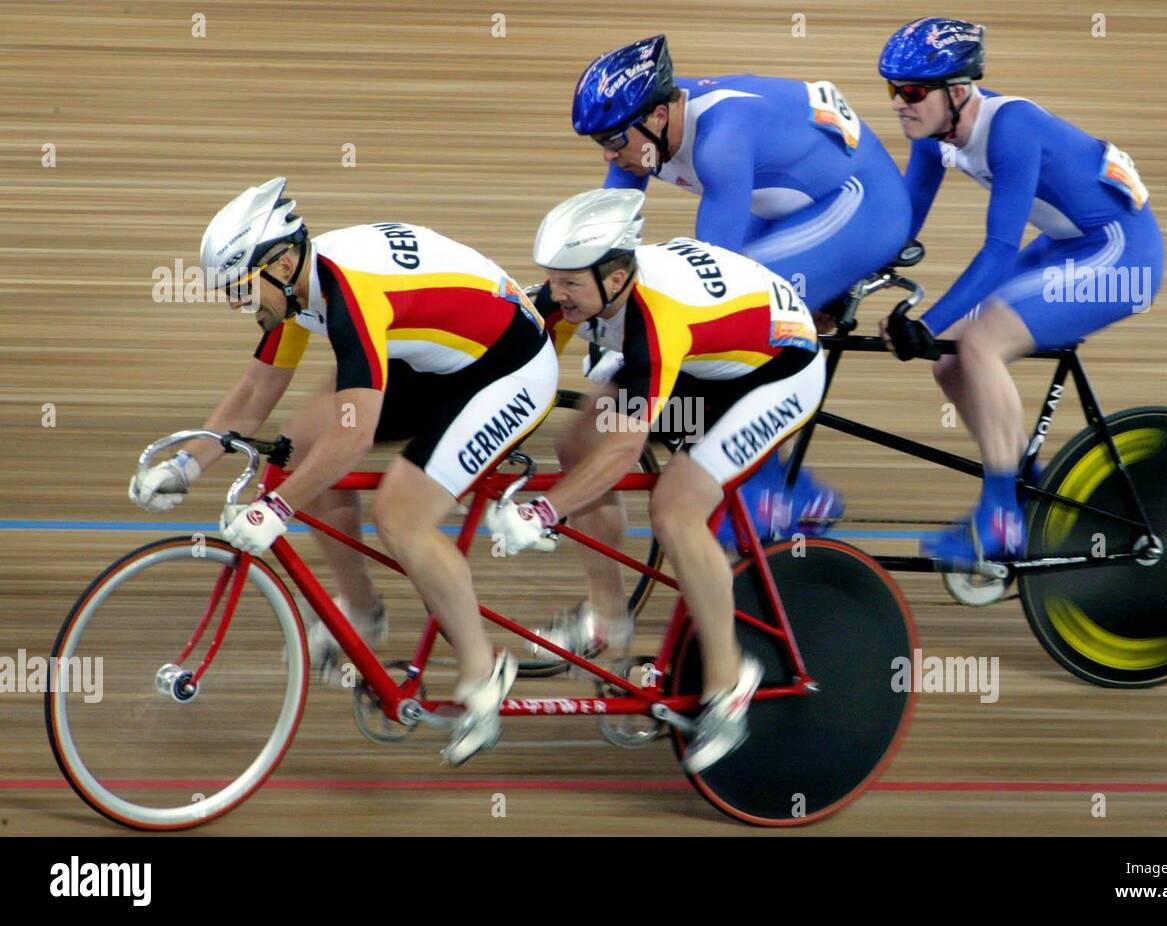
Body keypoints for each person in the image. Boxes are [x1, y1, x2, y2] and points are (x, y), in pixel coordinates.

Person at [128, 177, 559, 764]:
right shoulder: (299, 286)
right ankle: (361, 609)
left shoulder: (349, 296)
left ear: (281, 262)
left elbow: (355, 436)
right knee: (305, 445)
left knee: (402, 515)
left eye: (240, 288)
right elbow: (258, 388)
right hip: (434, 355)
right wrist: (186, 462)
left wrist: (275, 508)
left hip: (508, 370)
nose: (236, 303)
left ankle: (483, 676)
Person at [486, 187, 827, 772]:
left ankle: (728, 679)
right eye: (554, 278)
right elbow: (521, 361)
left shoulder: (656, 319)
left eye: (570, 282)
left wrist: (544, 513)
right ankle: (609, 616)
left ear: (617, 275)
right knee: (575, 443)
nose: (556, 292)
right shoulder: (591, 292)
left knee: (675, 508)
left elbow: (624, 450)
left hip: (776, 377)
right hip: (710, 360)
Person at [570, 34, 914, 546]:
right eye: (601, 144)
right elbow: (604, 233)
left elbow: (716, 282)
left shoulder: (720, 142)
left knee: (740, 321)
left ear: (658, 118)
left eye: (615, 142)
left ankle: (778, 493)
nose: (610, 155)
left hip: (861, 209)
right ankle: (748, 464)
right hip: (789, 204)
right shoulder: (645, 126)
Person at [876, 18, 1164, 565]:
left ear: (957, 93)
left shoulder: (1012, 130)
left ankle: (1002, 514)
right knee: (949, 360)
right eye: (892, 88)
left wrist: (927, 324)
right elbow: (901, 230)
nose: (897, 103)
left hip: (1122, 252)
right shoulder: (936, 138)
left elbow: (1000, 249)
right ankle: (1026, 485)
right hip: (1067, 242)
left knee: (979, 343)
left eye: (910, 91)